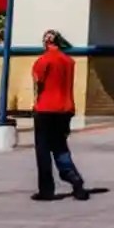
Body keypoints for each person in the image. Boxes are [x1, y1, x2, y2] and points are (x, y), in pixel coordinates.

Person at [31, 29, 89, 201]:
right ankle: (73, 178)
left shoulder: (42, 61)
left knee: (43, 151)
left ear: (45, 43)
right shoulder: (68, 61)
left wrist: (35, 104)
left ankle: (46, 190)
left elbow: (38, 84)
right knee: (60, 146)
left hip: (45, 110)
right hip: (65, 109)